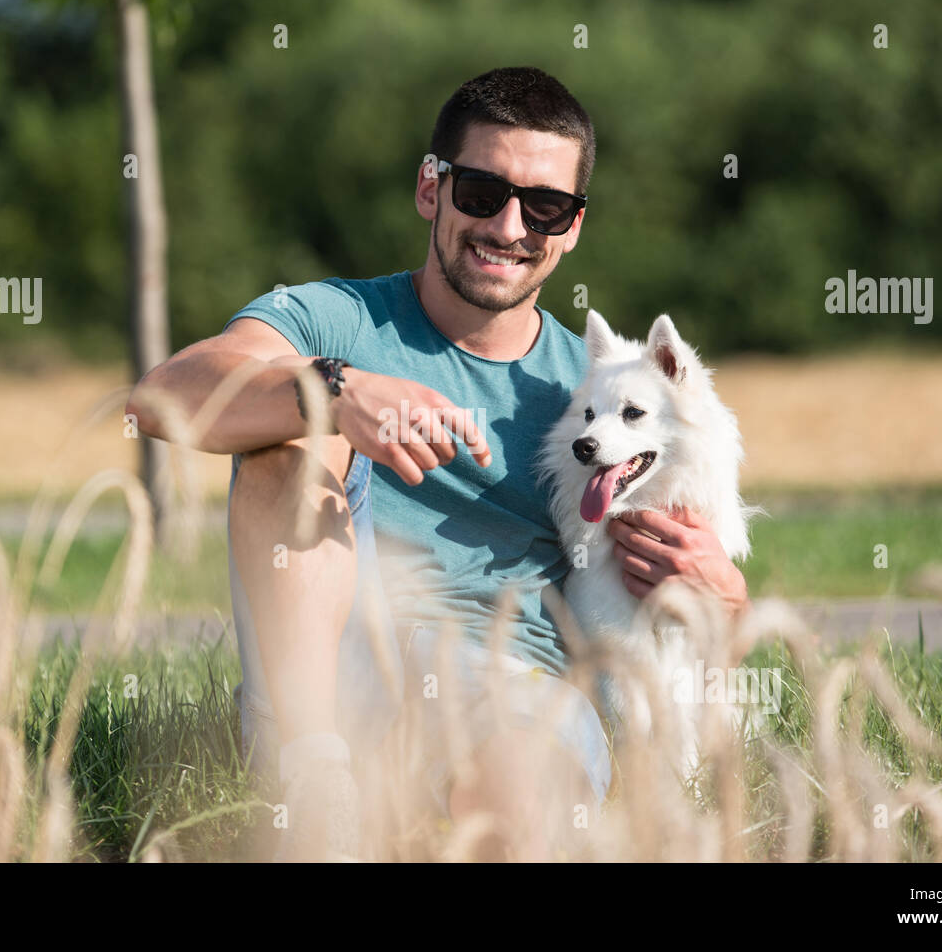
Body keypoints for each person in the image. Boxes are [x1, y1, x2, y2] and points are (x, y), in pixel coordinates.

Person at [126, 66, 748, 861]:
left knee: (517, 799)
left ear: (573, 228)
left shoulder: (596, 397)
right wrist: (335, 388)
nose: (510, 226)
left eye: (545, 206)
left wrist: (724, 597)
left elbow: (665, 609)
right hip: (330, 683)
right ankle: (317, 790)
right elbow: (161, 395)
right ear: (431, 188)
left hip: (514, 688)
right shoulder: (338, 318)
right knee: (296, 426)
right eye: (483, 192)